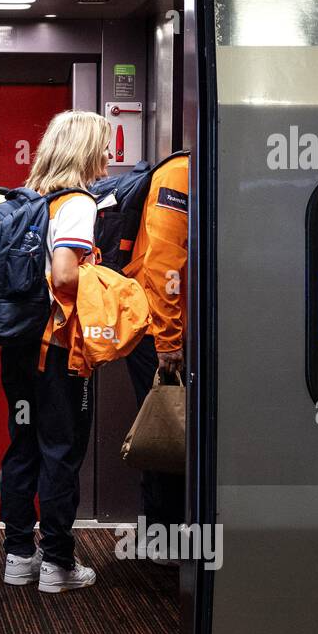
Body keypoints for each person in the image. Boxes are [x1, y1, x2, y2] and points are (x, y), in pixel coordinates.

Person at [0, 111, 113, 592]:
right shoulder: (78, 204)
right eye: (103, 147)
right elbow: (65, 275)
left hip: (19, 344)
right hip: (60, 349)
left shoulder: (32, 200)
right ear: (86, 151)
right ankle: (58, 564)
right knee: (61, 452)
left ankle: (19, 555)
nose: (109, 156)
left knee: (23, 446)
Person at [122, 152, 190, 532]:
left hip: (172, 328)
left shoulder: (191, 172)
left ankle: (162, 528)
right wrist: (168, 339)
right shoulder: (179, 175)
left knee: (174, 426)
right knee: (166, 427)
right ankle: (162, 532)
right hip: (159, 332)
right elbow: (164, 264)